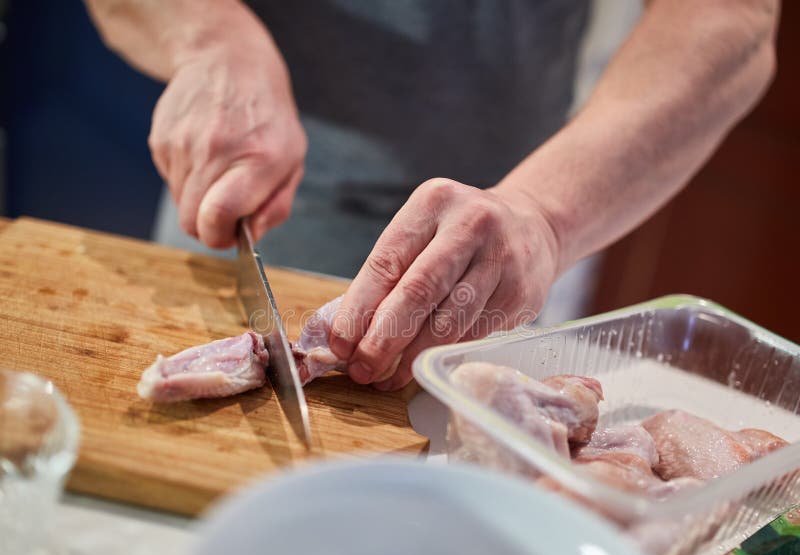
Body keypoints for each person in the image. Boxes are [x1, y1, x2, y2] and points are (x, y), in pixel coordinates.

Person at [85, 0, 779, 390]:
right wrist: (207, 36)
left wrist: (542, 216)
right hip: (242, 199)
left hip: (515, 240)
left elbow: (730, 18)